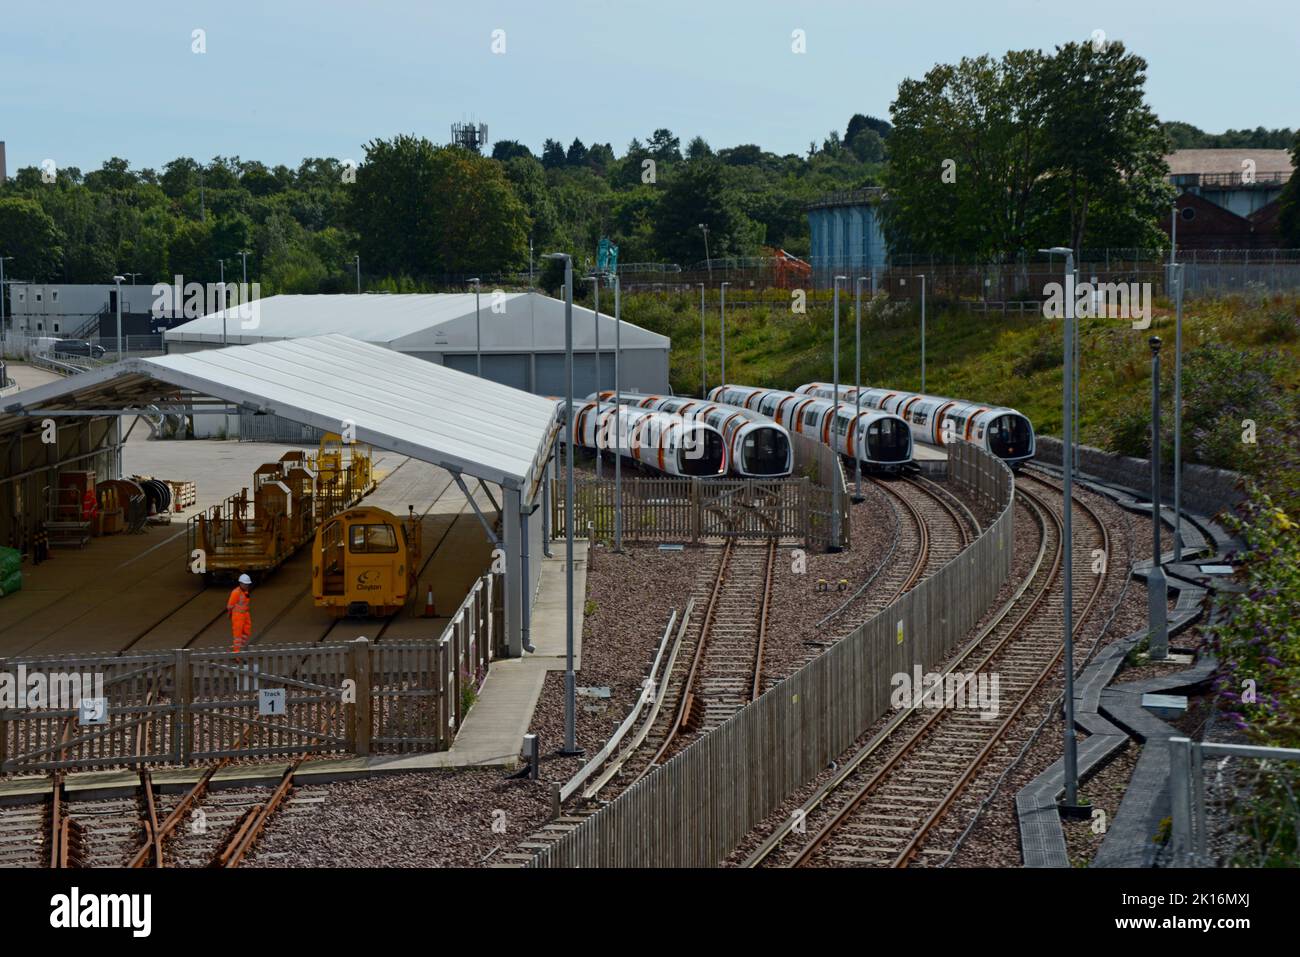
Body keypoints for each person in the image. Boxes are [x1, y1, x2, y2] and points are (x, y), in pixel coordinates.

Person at [227, 573, 253, 654]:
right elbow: (230, 605)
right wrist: (231, 614)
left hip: (245, 614)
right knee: (237, 635)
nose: (247, 586)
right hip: (238, 616)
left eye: (248, 584)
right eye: (246, 584)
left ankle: (241, 648)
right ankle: (237, 654)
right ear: (241, 583)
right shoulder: (235, 592)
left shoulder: (245, 591)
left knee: (246, 632)